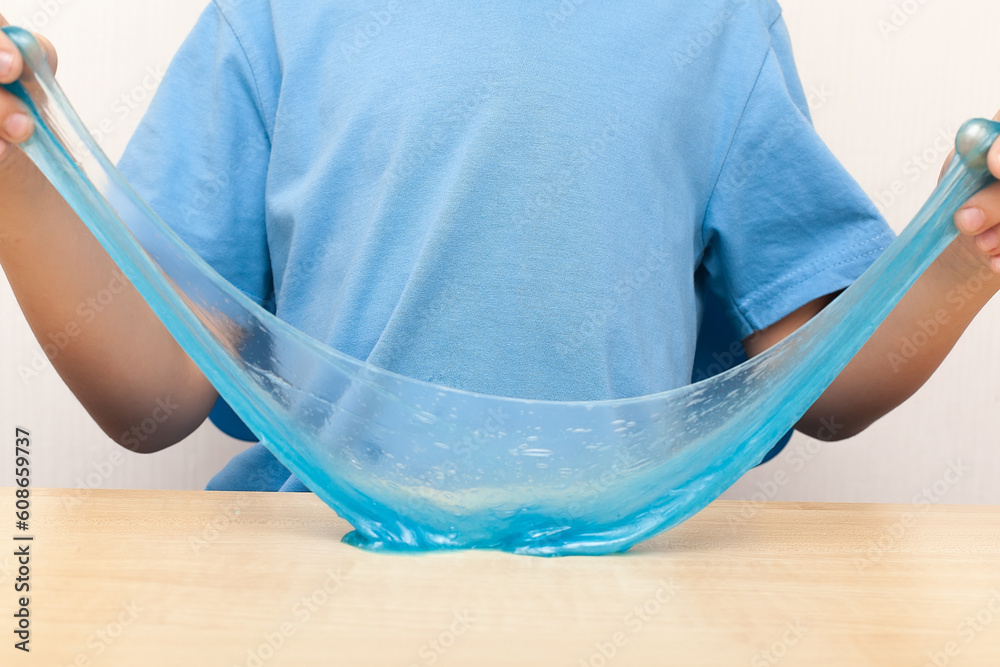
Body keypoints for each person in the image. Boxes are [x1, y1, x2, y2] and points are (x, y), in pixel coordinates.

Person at [0, 1, 998, 493]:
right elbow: (150, 402)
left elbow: (813, 392)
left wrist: (965, 251)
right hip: (309, 584)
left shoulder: (715, 22)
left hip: (627, 598)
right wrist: (16, 180)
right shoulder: (272, 14)